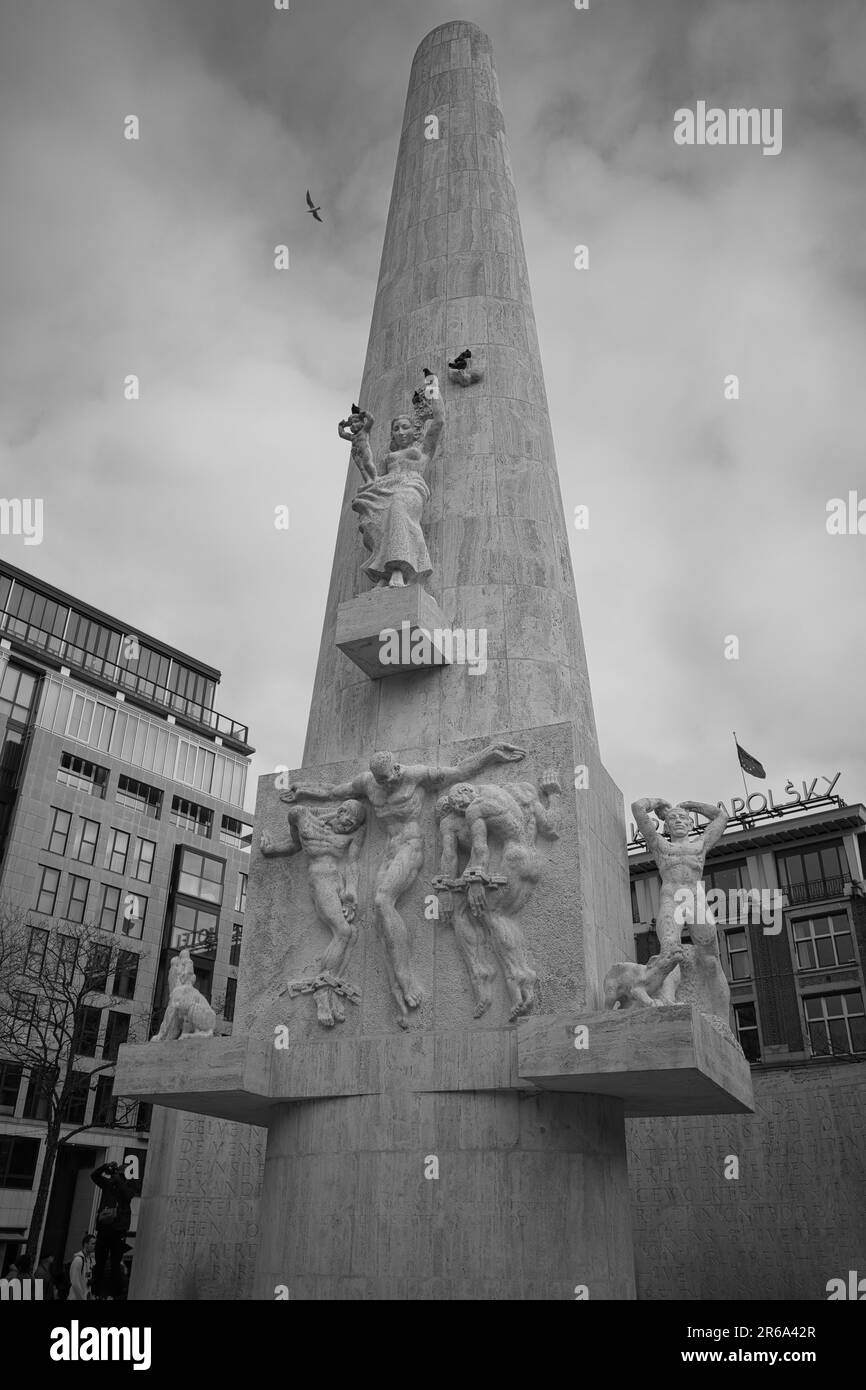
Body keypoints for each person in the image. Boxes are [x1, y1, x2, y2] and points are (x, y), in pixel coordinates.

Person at [90, 1161, 136, 1299]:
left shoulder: (126, 1187)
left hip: (118, 1231)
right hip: (105, 1229)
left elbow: (128, 1195)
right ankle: (97, 1291)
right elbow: (94, 1176)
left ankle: (114, 1292)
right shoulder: (108, 1185)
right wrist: (105, 1167)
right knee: (100, 1262)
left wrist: (118, 1180)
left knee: (115, 1263)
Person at [67, 1233, 95, 1301]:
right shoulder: (78, 1260)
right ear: (86, 1244)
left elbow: (87, 1280)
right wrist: (82, 1298)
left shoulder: (90, 1260)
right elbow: (75, 1283)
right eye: (93, 1244)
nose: (95, 1246)